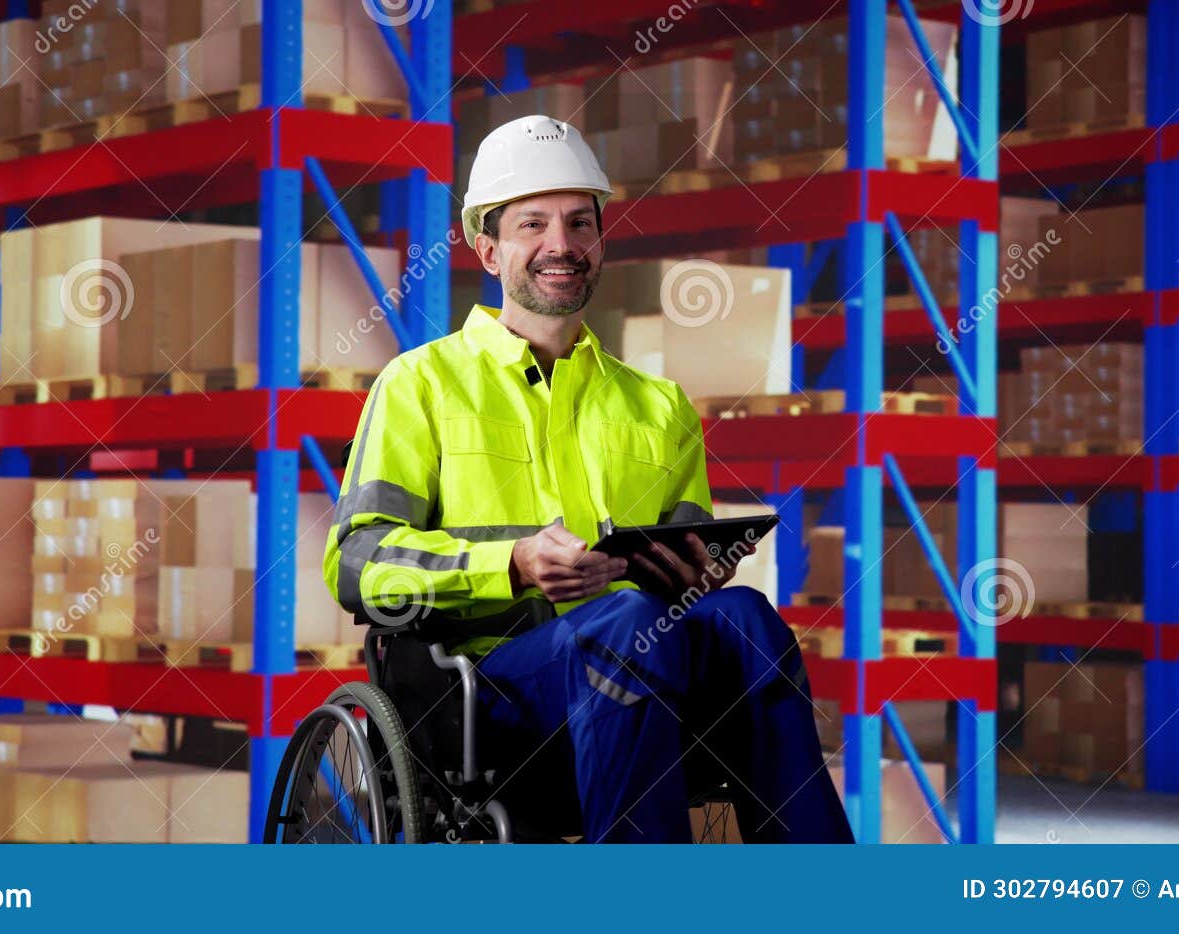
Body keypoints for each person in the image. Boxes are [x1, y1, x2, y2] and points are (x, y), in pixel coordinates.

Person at [324, 115, 853, 843]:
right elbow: (357, 564)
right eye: (532, 224)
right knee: (626, 625)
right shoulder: (419, 385)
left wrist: (699, 568)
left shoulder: (657, 404)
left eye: (579, 223)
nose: (560, 245)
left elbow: (692, 571)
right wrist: (511, 564)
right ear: (488, 248)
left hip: (646, 671)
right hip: (491, 693)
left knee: (749, 621)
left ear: (600, 242)